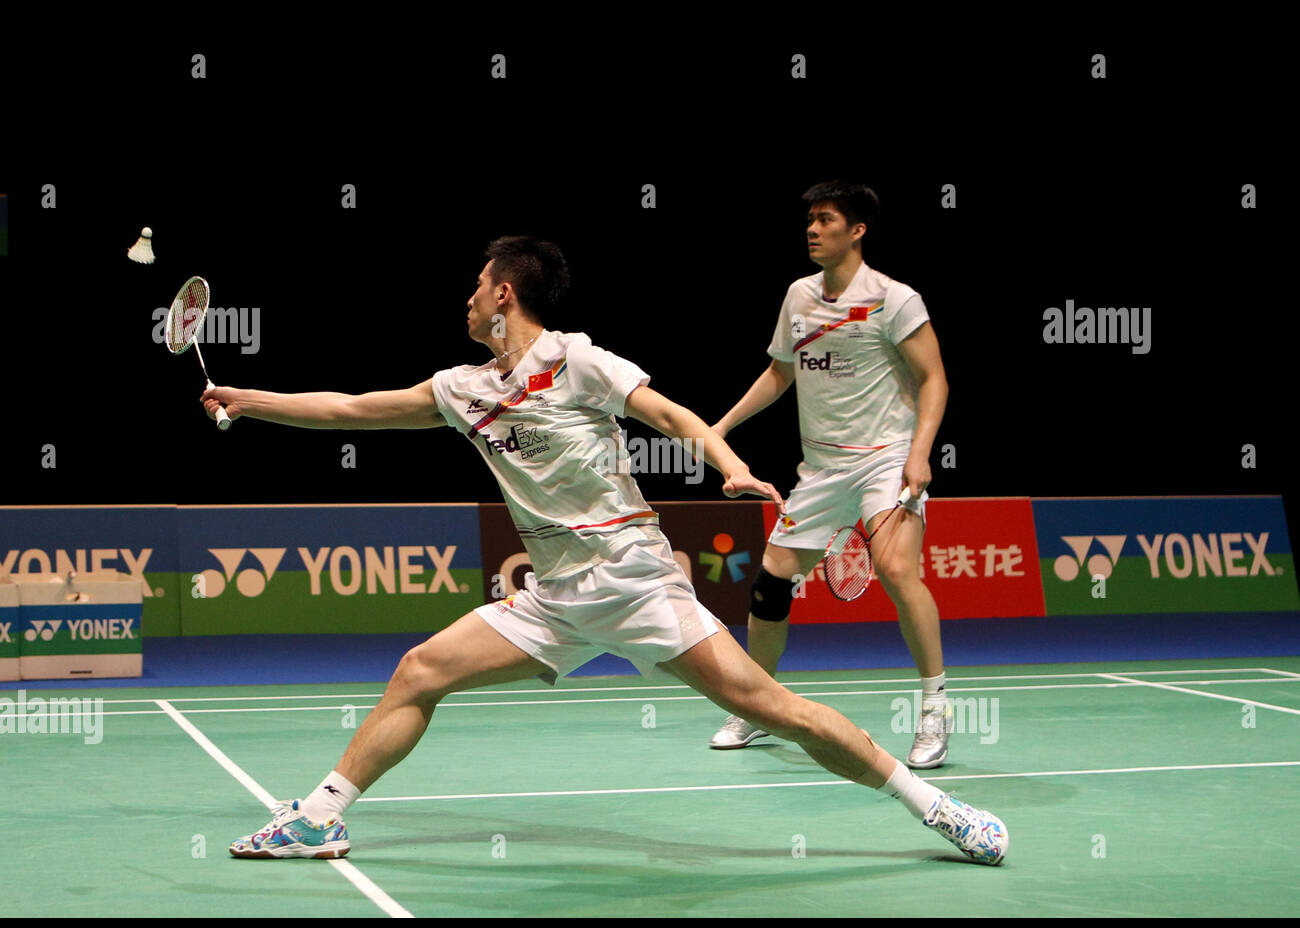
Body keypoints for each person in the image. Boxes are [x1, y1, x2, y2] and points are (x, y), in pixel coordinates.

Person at [207, 235, 1006, 865]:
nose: (467, 296)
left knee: (774, 707)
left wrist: (730, 464)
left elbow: (667, 413)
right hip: (554, 596)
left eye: (476, 285)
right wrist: (250, 400)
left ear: (503, 294)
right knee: (421, 669)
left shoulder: (578, 360)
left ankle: (933, 806)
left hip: (633, 581)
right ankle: (319, 818)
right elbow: (351, 408)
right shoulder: (464, 389)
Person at [707, 182, 954, 769]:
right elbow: (778, 373)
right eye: (810, 221)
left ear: (857, 230)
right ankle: (758, 707)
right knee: (770, 588)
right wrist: (720, 427)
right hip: (820, 469)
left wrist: (919, 453)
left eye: (825, 220)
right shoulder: (798, 297)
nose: (812, 230)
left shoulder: (895, 299)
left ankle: (936, 712)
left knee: (896, 569)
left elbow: (934, 379)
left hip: (885, 457)